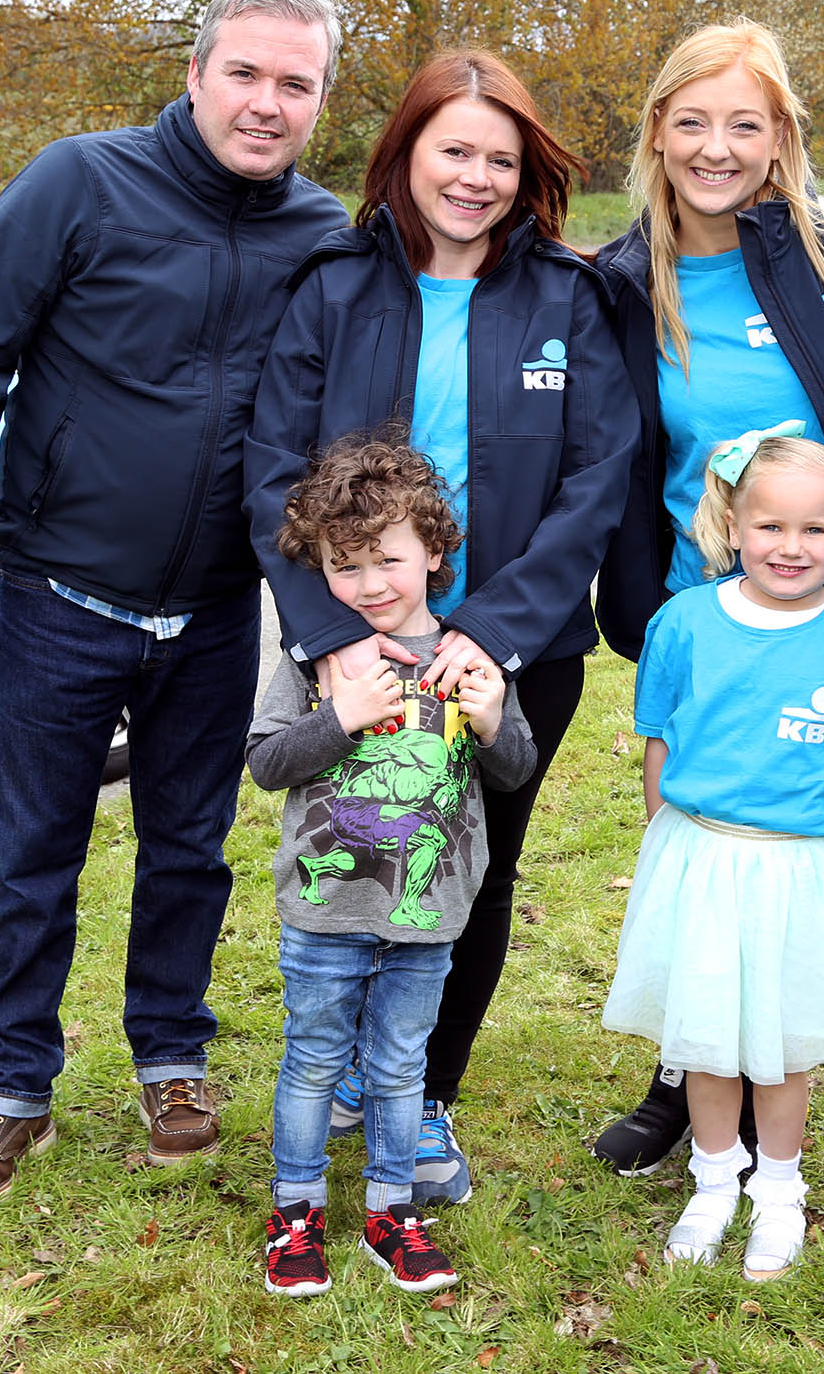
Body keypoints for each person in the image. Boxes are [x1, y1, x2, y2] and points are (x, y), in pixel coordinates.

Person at [0, 0, 348, 1214]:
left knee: (189, 850)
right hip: (57, 592)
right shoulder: (78, 182)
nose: (266, 104)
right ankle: (11, 1091)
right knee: (34, 850)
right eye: (246, 74)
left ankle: (170, 1057)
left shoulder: (320, 235)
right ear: (198, 70)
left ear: (321, 101)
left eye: (295, 85)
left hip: (216, 609)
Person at [245, 49, 636, 1206]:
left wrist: (493, 635)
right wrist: (329, 635)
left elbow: (597, 479)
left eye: (501, 160)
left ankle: (424, 1099)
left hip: (513, 654)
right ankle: (345, 1080)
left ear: (530, 175)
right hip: (354, 642)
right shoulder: (331, 286)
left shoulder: (571, 297)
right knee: (354, 849)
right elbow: (272, 465)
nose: (475, 177)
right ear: (406, 152)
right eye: (453, 151)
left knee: (472, 868)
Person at [589, 20, 824, 1177]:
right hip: (705, 611)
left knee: (806, 846)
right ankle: (683, 1074)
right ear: (659, 131)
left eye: (745, 124)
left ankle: (784, 1079)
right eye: (693, 121)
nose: (717, 148)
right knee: (701, 845)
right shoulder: (624, 281)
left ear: (782, 139)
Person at [602, 429, 824, 1280]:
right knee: (704, 1038)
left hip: (806, 866)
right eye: (770, 526)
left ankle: (778, 1188)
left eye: (815, 530)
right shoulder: (684, 623)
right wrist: (669, 838)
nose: (791, 546)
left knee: (782, 1043)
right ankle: (712, 1180)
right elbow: (659, 741)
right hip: (705, 855)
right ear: (732, 525)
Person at [246, 431, 537, 1296]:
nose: (369, 584)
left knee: (400, 1062)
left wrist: (488, 719)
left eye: (387, 560)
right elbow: (265, 764)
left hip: (428, 911)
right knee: (310, 1057)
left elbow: (514, 768)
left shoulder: (465, 657)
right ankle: (293, 1212)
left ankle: (388, 1209)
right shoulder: (314, 660)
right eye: (345, 567)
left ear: (435, 552)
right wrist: (339, 715)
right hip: (324, 907)